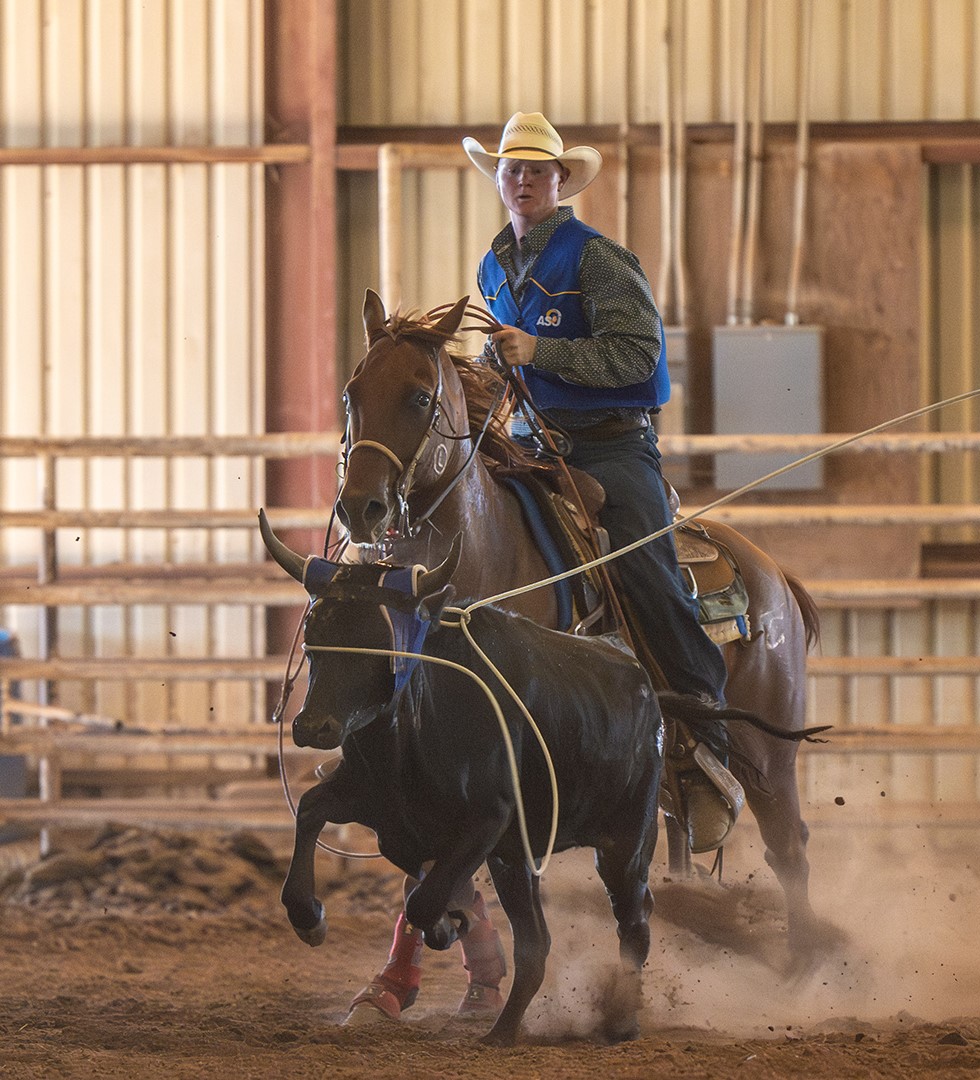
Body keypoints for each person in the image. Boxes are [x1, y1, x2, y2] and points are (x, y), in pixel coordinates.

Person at [341, 112, 739, 1025]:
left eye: (536, 170)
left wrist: (544, 351)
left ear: (561, 180)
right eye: (510, 170)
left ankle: (704, 735)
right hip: (523, 444)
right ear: (499, 180)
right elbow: (493, 371)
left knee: (645, 570)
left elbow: (646, 364)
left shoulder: (599, 262)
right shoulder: (491, 267)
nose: (521, 182)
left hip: (609, 450)